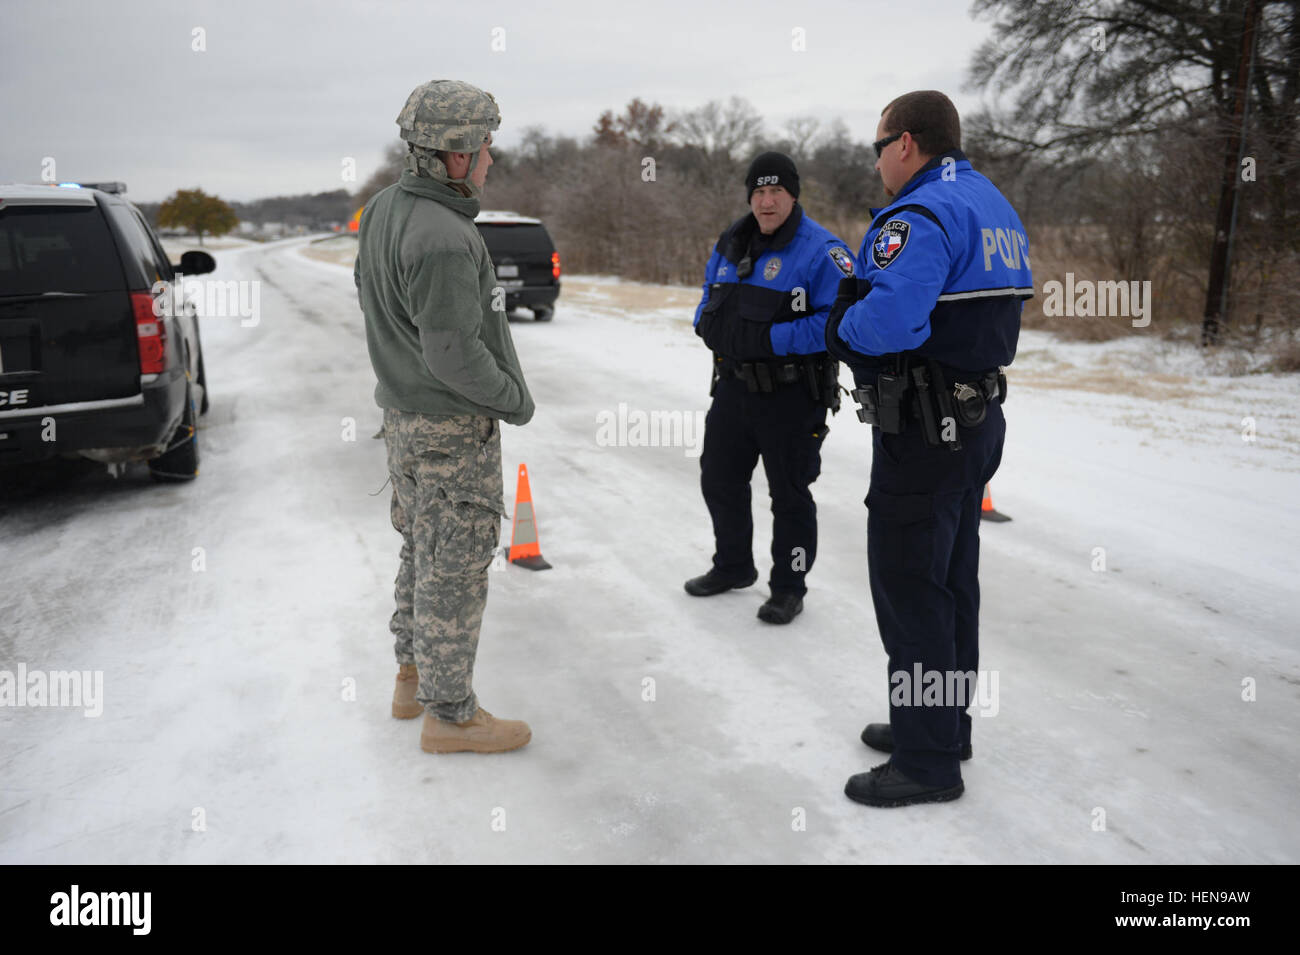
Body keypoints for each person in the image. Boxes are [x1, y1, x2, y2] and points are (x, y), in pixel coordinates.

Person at [825, 91, 1032, 806]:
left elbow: (889, 322)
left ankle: (927, 759)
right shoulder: (989, 202)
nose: (878, 159)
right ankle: (944, 725)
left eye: (878, 145)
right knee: (950, 580)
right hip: (973, 423)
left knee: (911, 586)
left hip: (924, 427)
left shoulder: (917, 214)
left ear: (905, 143)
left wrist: (840, 325)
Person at [354, 79, 535, 754]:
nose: (490, 159)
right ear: (453, 155)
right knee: (455, 565)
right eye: (484, 146)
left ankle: (412, 677)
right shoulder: (442, 236)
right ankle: (450, 714)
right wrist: (514, 401)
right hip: (449, 426)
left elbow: (373, 300)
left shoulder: (382, 210)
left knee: (420, 548)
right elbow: (455, 355)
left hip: (404, 420)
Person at [686, 152, 856, 625]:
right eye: (758, 192)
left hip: (791, 396)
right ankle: (733, 566)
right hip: (733, 389)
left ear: (793, 194)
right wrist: (706, 323)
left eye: (776, 191)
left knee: (790, 494)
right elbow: (707, 296)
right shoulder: (732, 242)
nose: (766, 201)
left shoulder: (823, 250)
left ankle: (788, 587)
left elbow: (840, 322)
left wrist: (772, 339)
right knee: (719, 480)